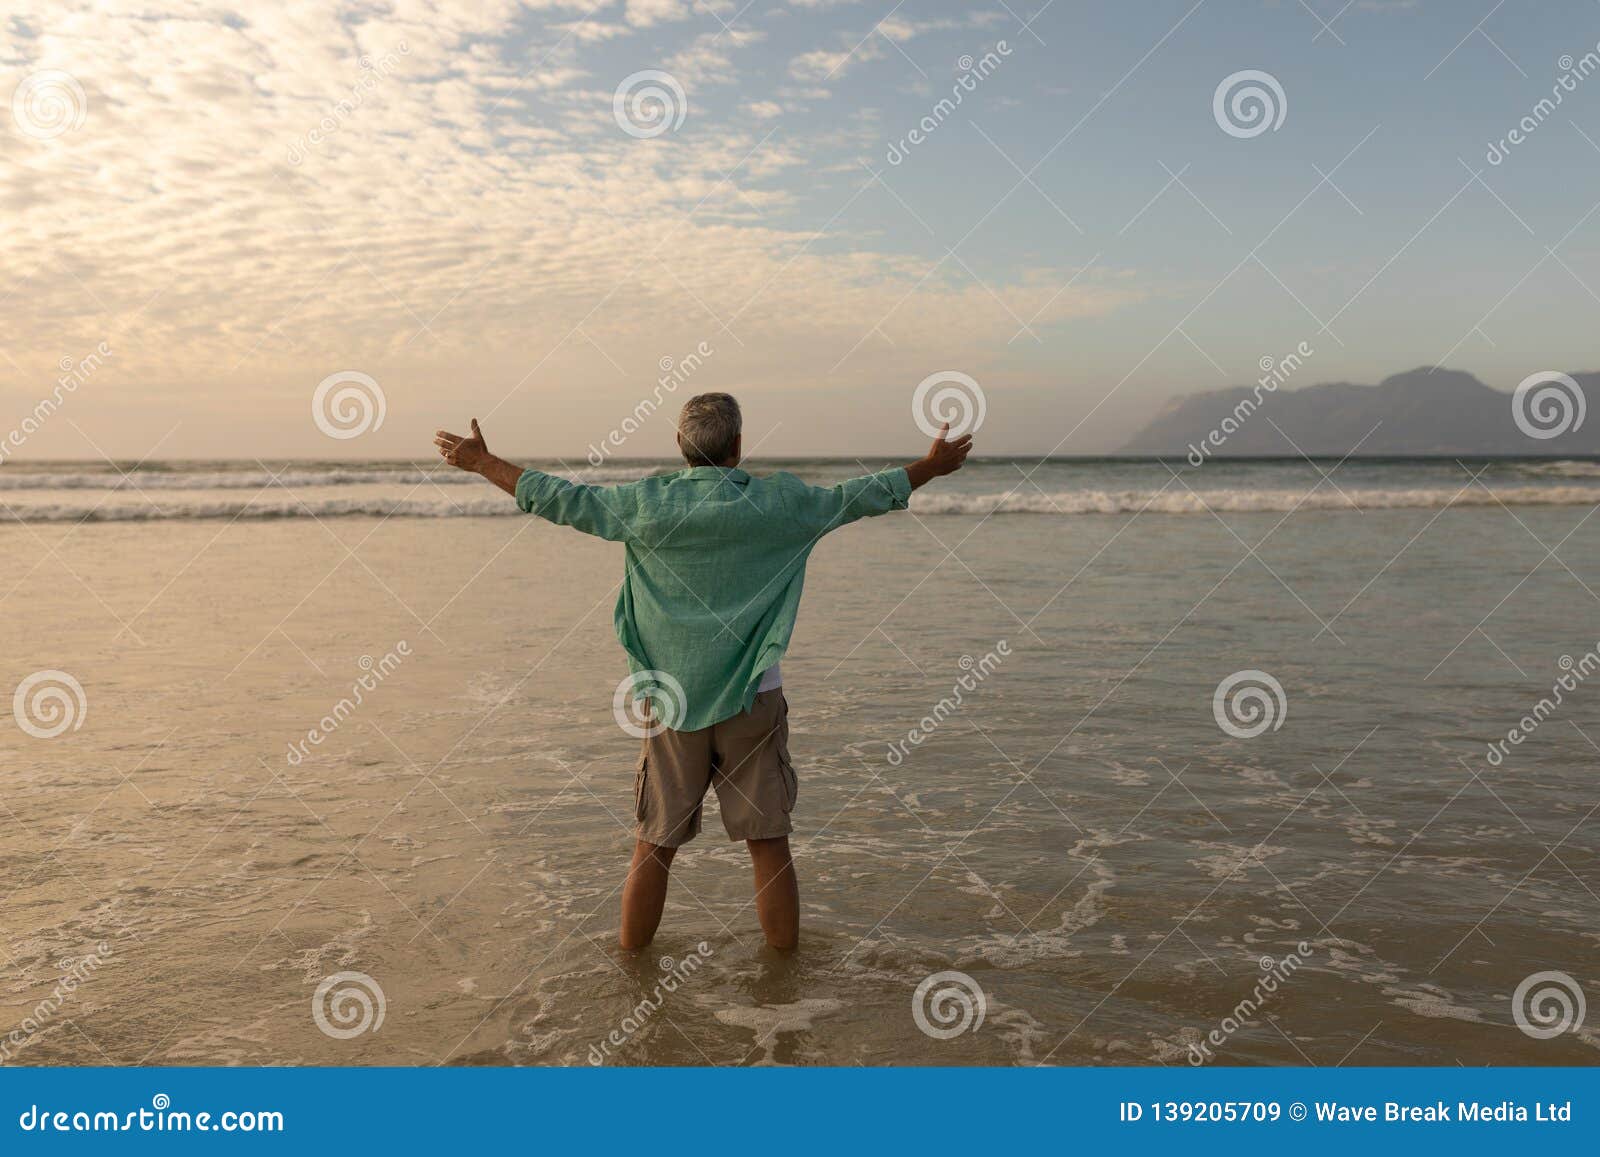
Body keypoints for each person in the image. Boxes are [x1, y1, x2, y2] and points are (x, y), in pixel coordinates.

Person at [434, 393, 971, 950]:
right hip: (753, 698)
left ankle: (632, 970)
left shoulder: (647, 505)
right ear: (738, 445)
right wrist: (929, 467)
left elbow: (560, 500)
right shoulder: (781, 505)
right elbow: (856, 497)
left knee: (655, 844)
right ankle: (784, 982)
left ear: (680, 447)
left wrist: (482, 463)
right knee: (767, 843)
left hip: (673, 701)